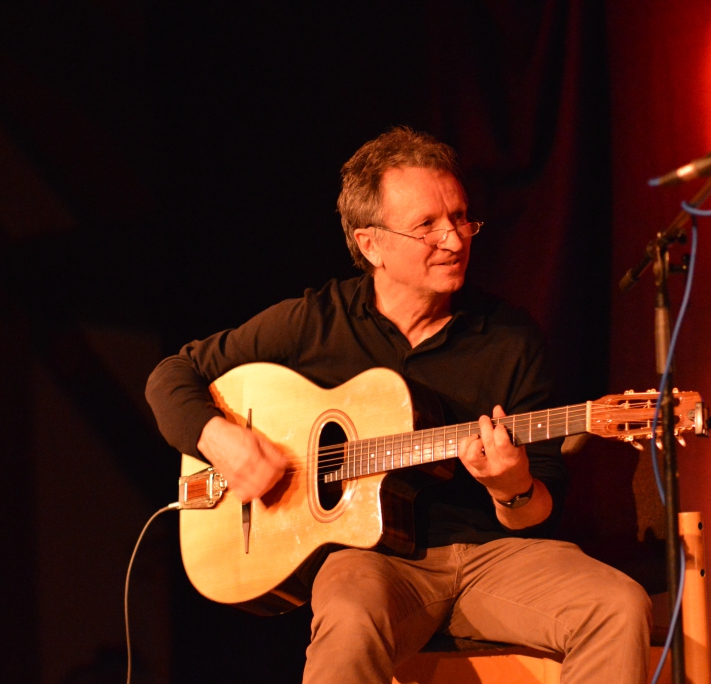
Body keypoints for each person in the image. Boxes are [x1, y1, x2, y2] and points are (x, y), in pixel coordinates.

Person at [145, 126, 651, 683]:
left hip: (494, 557)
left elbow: (539, 505)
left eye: (461, 217)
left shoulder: (510, 337)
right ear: (371, 244)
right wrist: (222, 439)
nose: (454, 240)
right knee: (347, 618)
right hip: (375, 565)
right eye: (427, 225)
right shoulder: (316, 323)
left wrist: (512, 488)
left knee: (618, 605)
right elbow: (173, 376)